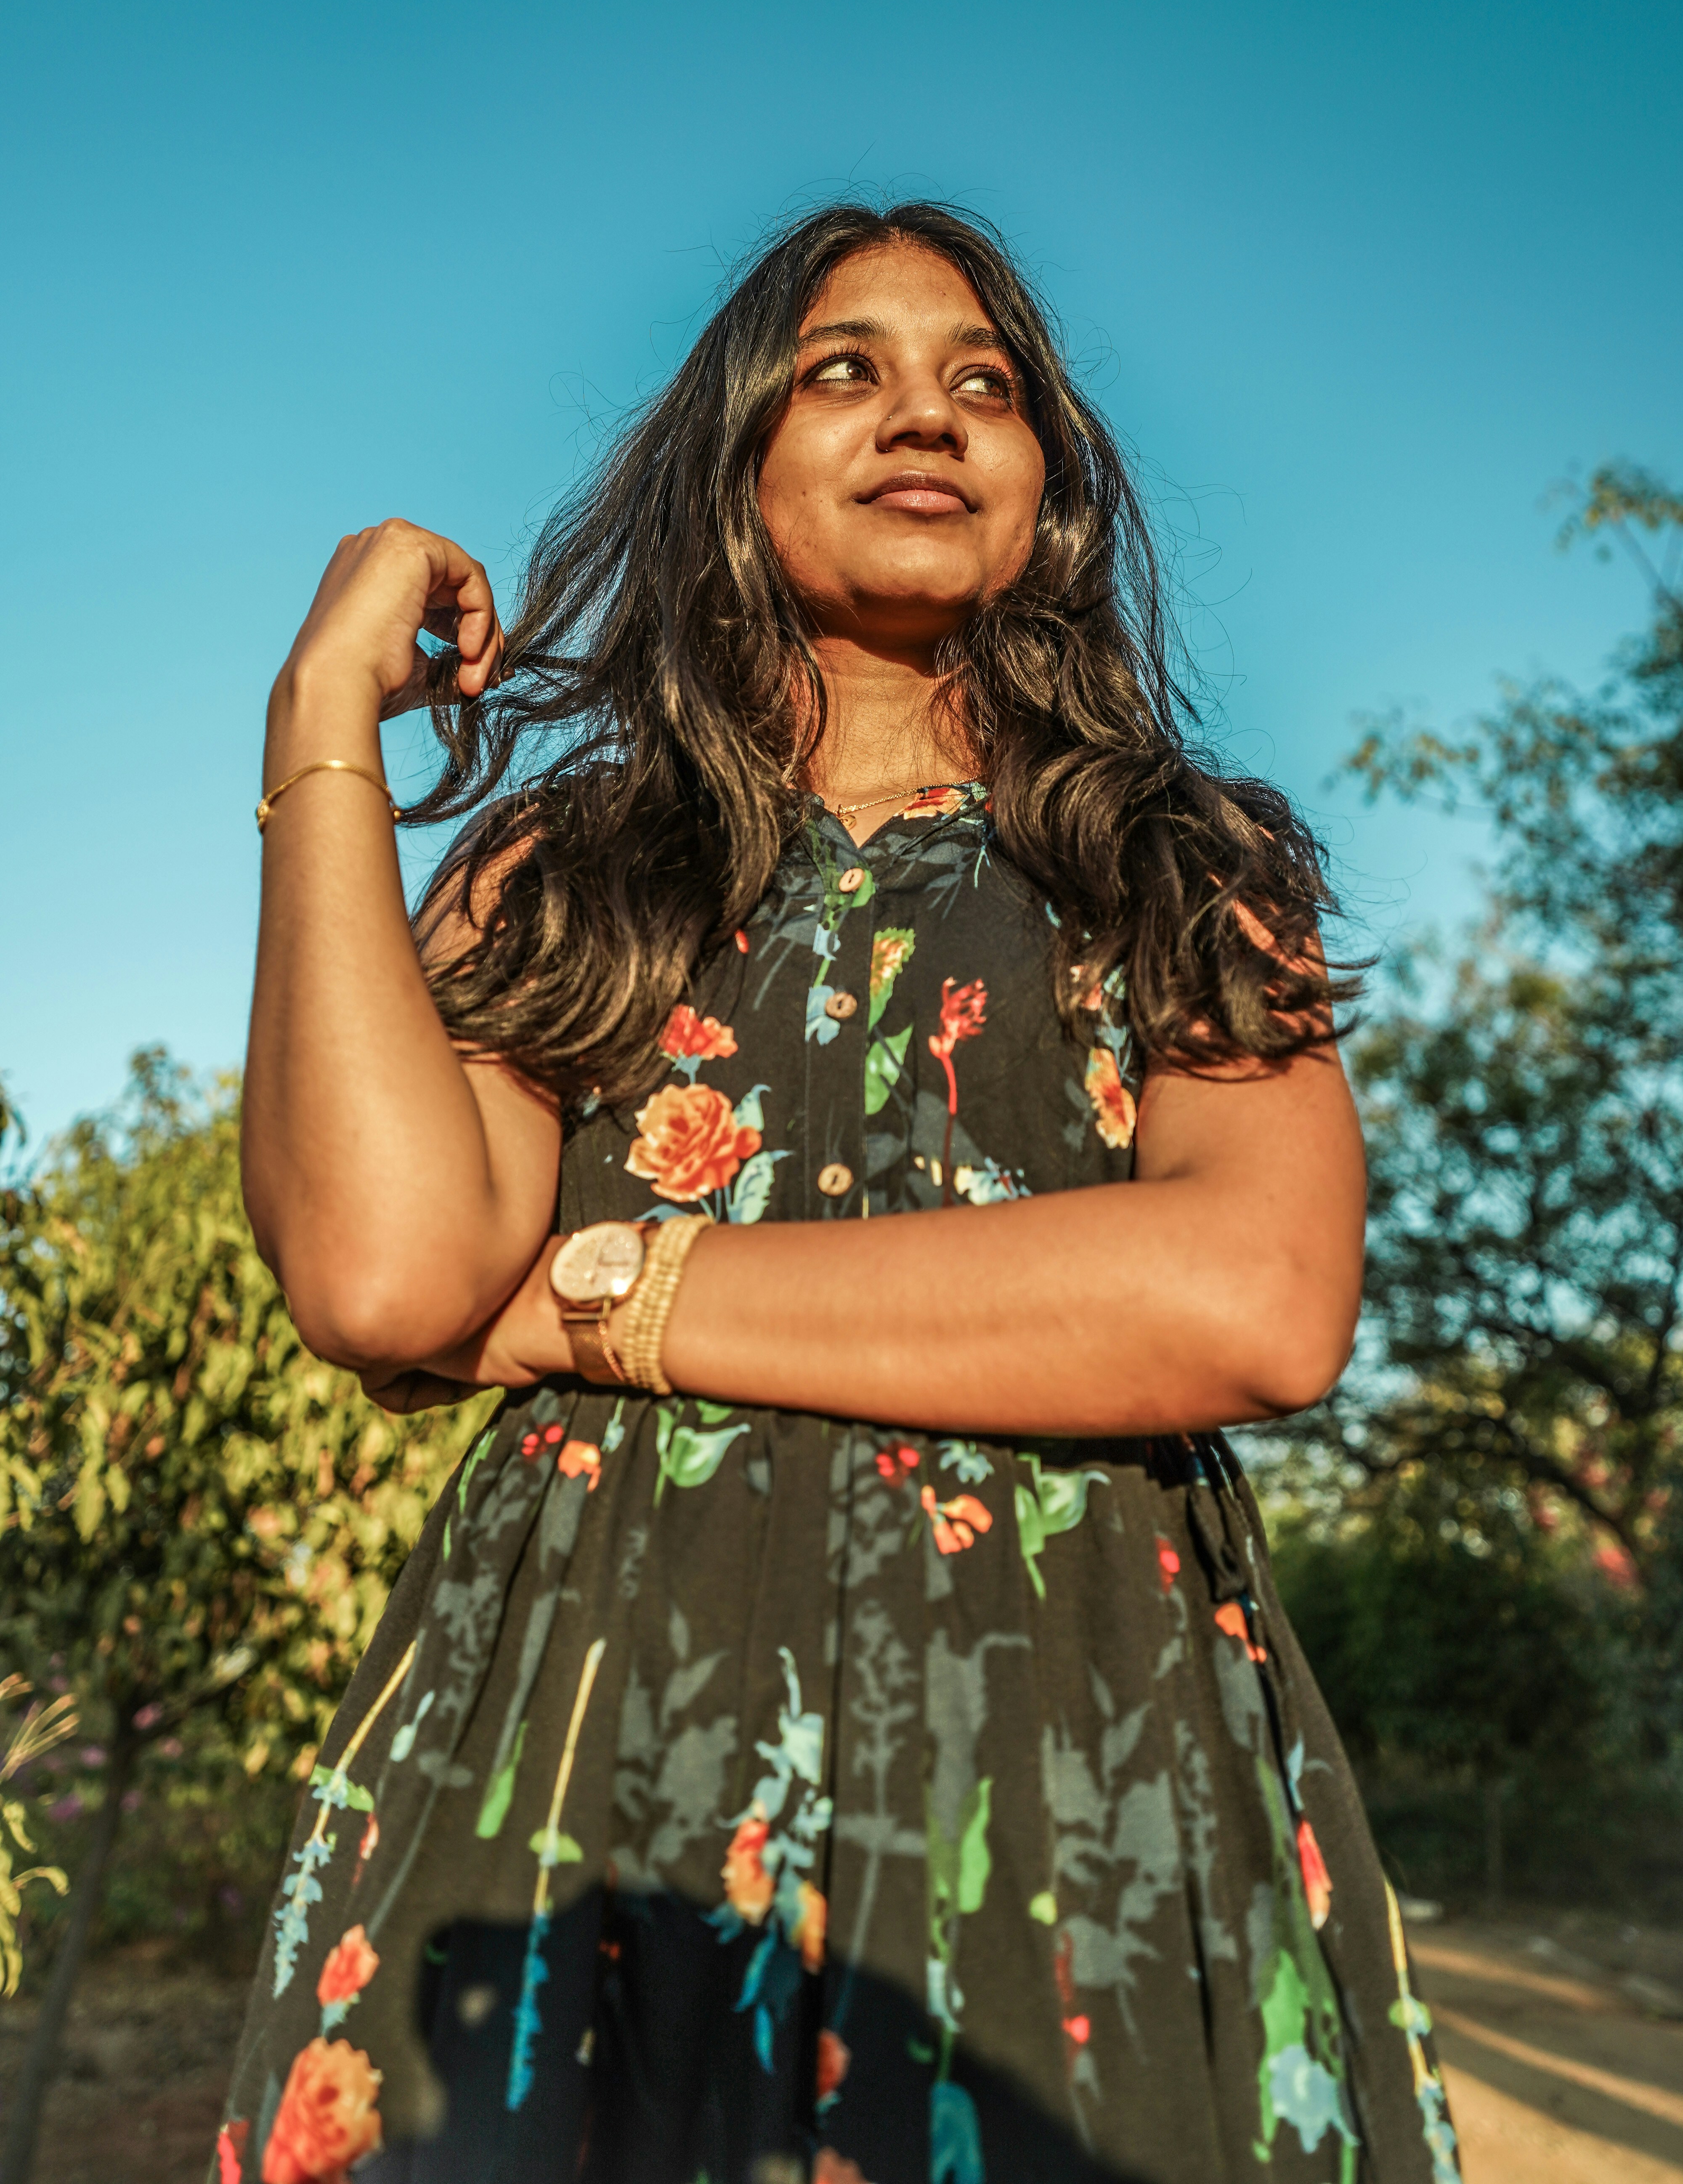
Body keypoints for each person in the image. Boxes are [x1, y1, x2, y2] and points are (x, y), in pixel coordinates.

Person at [215, 203, 1460, 2184]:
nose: (926, 416)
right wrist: (317, 726)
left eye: (985, 383)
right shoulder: (567, 872)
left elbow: (1254, 1294)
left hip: (1072, 1784)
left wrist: (601, 1294)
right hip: (581, 1779)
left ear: (1047, 489)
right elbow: (384, 1272)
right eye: (844, 370)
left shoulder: (1179, 867)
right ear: (732, 464)